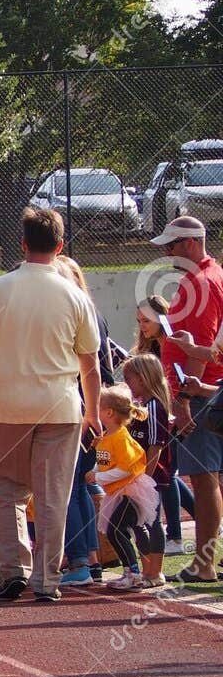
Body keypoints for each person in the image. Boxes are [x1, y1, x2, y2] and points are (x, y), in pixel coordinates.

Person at [0, 206, 101, 603]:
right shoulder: (75, 296)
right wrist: (91, 412)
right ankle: (47, 580)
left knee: (6, 491)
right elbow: (89, 366)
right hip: (59, 407)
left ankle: (12, 571)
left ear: (22, 244)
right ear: (60, 246)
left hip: (5, 407)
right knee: (53, 494)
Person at [156, 214, 223, 582]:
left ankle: (204, 562)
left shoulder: (199, 281)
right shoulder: (212, 275)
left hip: (202, 394)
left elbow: (202, 346)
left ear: (191, 243)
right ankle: (209, 558)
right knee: (212, 475)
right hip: (211, 390)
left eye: (172, 245)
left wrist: (184, 396)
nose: (168, 253)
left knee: (203, 476)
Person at [54, 255, 116, 587]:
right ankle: (90, 559)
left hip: (77, 409)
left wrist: (89, 413)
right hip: (88, 407)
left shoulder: (77, 315)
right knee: (82, 487)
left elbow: (90, 369)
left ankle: (80, 559)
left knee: (71, 488)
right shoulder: (93, 313)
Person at [133, 293, 194, 552]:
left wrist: (181, 410)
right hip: (157, 417)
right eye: (139, 321)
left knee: (166, 475)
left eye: (147, 320)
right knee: (168, 474)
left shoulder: (172, 344)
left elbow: (179, 381)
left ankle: (175, 537)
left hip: (172, 417)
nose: (142, 326)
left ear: (162, 318)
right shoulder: (148, 349)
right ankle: (202, 516)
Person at [88, 384, 161, 592]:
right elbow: (106, 461)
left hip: (130, 491)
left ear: (109, 413)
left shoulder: (120, 437)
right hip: (118, 492)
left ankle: (134, 572)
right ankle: (139, 572)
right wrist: (96, 469)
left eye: (97, 407)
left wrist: (98, 477)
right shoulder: (106, 437)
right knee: (127, 530)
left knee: (115, 530)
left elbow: (127, 469)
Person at [120, 353, 174, 590]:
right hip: (139, 475)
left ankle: (155, 571)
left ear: (143, 378)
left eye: (129, 379)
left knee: (151, 522)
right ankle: (147, 570)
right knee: (139, 522)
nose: (128, 385)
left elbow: (156, 445)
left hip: (151, 476)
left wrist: (146, 477)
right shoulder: (143, 405)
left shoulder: (153, 406)